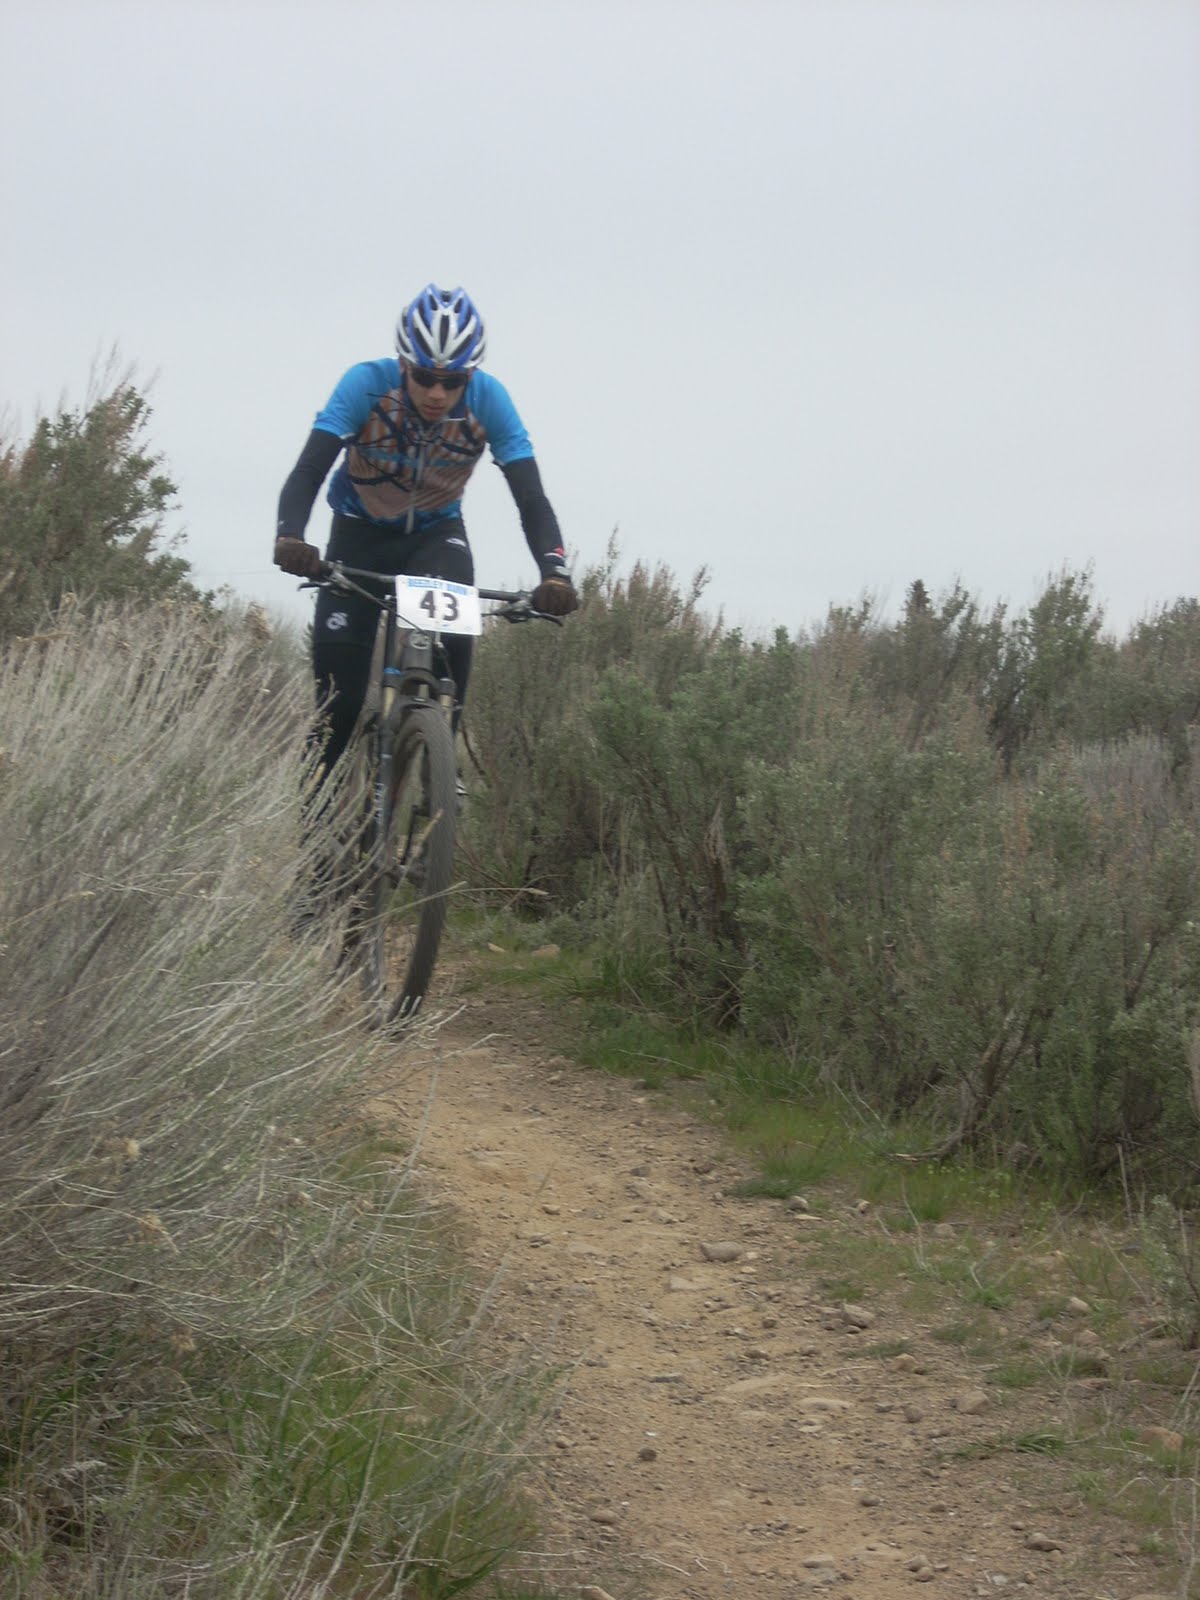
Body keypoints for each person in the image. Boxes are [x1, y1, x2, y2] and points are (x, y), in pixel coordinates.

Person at [274, 283, 578, 777]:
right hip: (358, 533)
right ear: (402, 365)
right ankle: (318, 820)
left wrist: (555, 572)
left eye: (452, 381)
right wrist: (290, 537)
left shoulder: (490, 401)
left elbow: (531, 498)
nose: (437, 393)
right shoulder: (364, 384)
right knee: (338, 708)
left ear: (470, 375)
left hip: (436, 537)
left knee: (451, 668)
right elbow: (308, 470)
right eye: (424, 377)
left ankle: (434, 782)